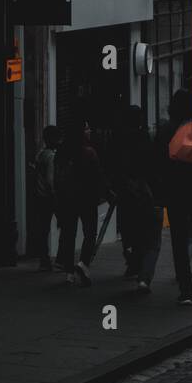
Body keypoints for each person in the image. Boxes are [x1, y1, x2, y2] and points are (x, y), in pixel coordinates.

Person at [158, 88, 192, 305]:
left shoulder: (167, 129)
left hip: (175, 191)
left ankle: (185, 290)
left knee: (179, 240)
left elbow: (159, 160)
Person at [111, 105, 163, 293]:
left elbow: (114, 164)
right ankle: (141, 270)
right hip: (143, 191)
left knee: (128, 229)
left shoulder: (118, 138)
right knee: (147, 233)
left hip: (126, 191)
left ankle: (132, 261)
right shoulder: (143, 138)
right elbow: (151, 165)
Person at [55, 116, 105, 287]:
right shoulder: (89, 152)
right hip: (87, 199)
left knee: (69, 235)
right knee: (90, 233)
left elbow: (57, 177)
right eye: (87, 128)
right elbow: (98, 177)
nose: (89, 131)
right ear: (81, 132)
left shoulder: (62, 150)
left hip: (67, 199)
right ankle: (83, 263)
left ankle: (69, 273)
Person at [32, 125, 59, 271]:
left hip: (39, 196)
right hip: (48, 198)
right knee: (61, 225)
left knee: (42, 228)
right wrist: (56, 195)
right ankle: (48, 260)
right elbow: (50, 180)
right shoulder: (51, 157)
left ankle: (44, 258)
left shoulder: (40, 154)